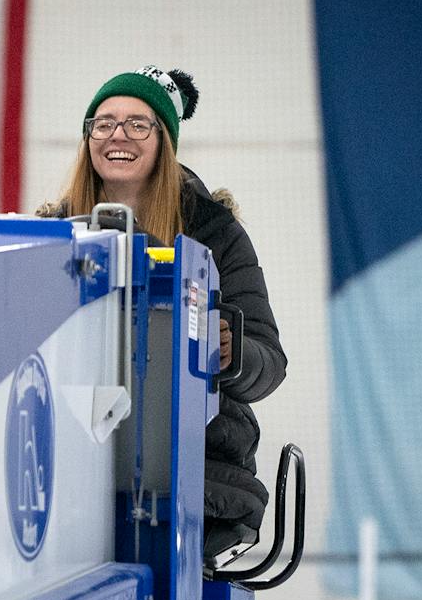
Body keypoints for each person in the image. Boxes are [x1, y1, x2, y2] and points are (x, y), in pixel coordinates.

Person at [39, 66, 284, 558]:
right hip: (77, 451)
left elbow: (269, 366)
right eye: (103, 123)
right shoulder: (50, 232)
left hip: (194, 461)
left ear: (164, 140)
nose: (118, 136)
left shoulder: (214, 233)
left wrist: (232, 353)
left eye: (137, 124)